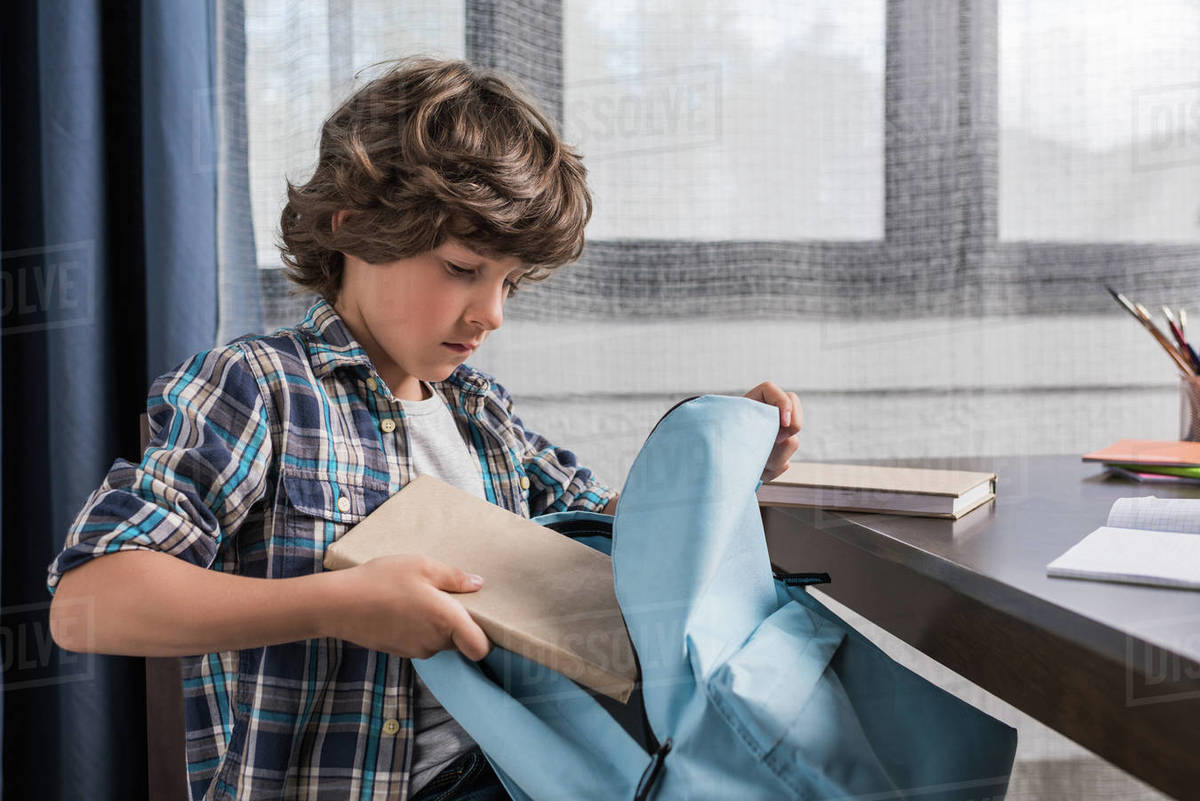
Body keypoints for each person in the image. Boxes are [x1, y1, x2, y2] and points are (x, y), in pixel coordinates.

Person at [45, 57, 802, 800]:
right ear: (353, 227)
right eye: (463, 267)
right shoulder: (260, 389)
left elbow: (619, 542)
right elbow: (87, 603)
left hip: (521, 771)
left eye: (509, 281)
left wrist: (723, 465)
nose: (492, 313)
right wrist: (338, 603)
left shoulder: (486, 416)